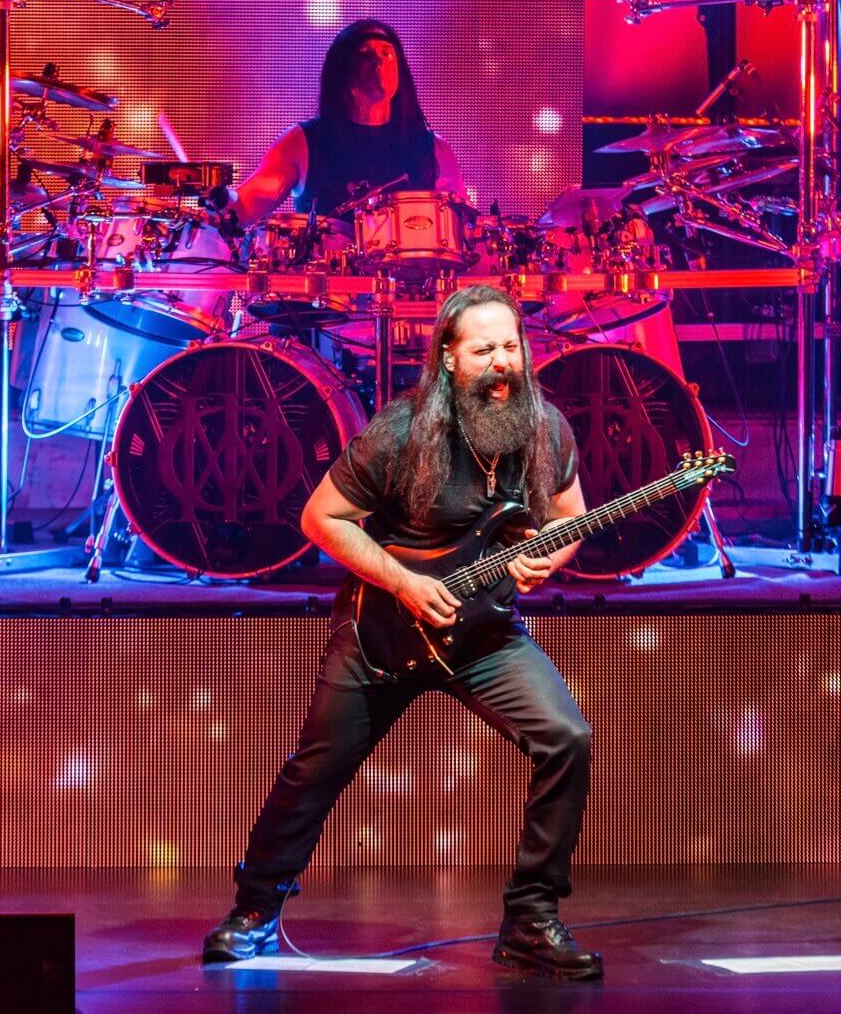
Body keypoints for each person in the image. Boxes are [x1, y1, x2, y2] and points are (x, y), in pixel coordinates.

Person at [201, 285, 603, 981]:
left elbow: (570, 516)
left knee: (567, 738)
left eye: (511, 346)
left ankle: (531, 922)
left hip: (483, 634)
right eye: (484, 349)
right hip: (382, 633)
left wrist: (549, 558)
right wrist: (404, 582)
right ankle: (254, 909)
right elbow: (321, 518)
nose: (502, 362)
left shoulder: (544, 427)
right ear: (449, 358)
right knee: (316, 769)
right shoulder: (402, 430)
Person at [228, 18, 467, 227]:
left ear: (400, 71)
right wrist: (216, 198)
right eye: (365, 54)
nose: (378, 61)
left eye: (387, 54)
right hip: (325, 267)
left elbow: (464, 226)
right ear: (342, 70)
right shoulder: (303, 141)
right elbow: (246, 207)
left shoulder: (433, 148)